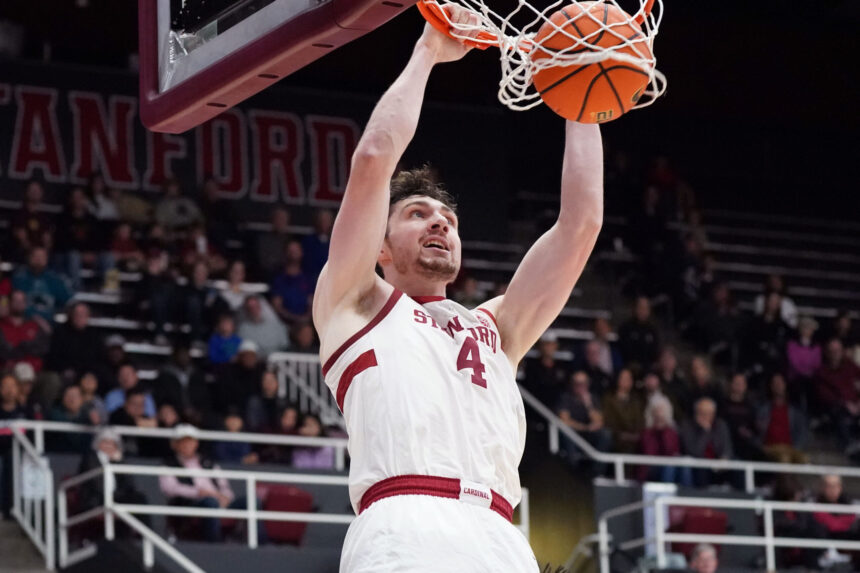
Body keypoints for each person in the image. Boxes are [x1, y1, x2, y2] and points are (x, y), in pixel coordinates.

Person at [311, 9, 603, 570]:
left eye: (448, 218)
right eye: (418, 214)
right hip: (403, 522)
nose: (440, 223)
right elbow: (374, 159)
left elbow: (581, 224)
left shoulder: (496, 327)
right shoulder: (354, 301)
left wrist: (582, 100)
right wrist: (427, 51)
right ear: (380, 245)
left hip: (499, 535)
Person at [159, 425, 265, 543]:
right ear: (174, 444)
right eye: (183, 441)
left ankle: (259, 542)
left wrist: (225, 497)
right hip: (192, 504)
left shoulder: (208, 463)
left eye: (190, 441)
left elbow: (223, 485)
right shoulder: (169, 464)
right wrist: (199, 493)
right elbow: (171, 488)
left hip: (217, 500)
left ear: (196, 443)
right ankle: (214, 542)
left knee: (252, 501)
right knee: (210, 502)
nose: (187, 444)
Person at [679, 398, 734, 487]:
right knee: (701, 470)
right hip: (698, 463)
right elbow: (695, 452)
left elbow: (727, 447)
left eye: (709, 413)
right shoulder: (687, 426)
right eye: (702, 413)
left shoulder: (720, 425)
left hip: (718, 463)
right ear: (696, 413)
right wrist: (705, 432)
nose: (706, 416)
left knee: (737, 465)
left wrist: (724, 458)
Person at [757, 373, 808, 464]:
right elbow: (756, 430)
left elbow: (802, 431)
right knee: (784, 459)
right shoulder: (763, 410)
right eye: (775, 383)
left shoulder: (794, 411)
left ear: (785, 385)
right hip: (772, 447)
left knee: (804, 459)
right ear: (771, 387)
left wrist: (797, 446)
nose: (778, 386)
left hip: (790, 447)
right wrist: (762, 446)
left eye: (780, 383)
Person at [0, 373, 27, 518]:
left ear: (18, 389)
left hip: (19, 455)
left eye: (12, 386)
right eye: (5, 386)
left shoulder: (25, 410)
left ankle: (13, 510)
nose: (9, 390)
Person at [602, 369, 644, 454]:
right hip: (617, 437)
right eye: (624, 378)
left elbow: (640, 420)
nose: (627, 381)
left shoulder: (636, 400)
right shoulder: (609, 399)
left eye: (629, 379)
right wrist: (620, 434)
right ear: (617, 379)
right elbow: (608, 421)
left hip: (634, 437)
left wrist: (635, 435)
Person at [237, 294, 289, 359]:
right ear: (246, 310)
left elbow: (285, 347)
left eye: (256, 306)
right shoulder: (242, 329)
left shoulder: (277, 326)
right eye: (250, 308)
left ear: (261, 307)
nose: (253, 310)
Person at [617, 296, 660, 374]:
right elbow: (622, 349)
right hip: (629, 368)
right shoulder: (626, 327)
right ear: (635, 308)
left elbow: (655, 352)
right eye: (641, 307)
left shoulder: (652, 330)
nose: (643, 311)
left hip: (647, 370)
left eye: (646, 308)